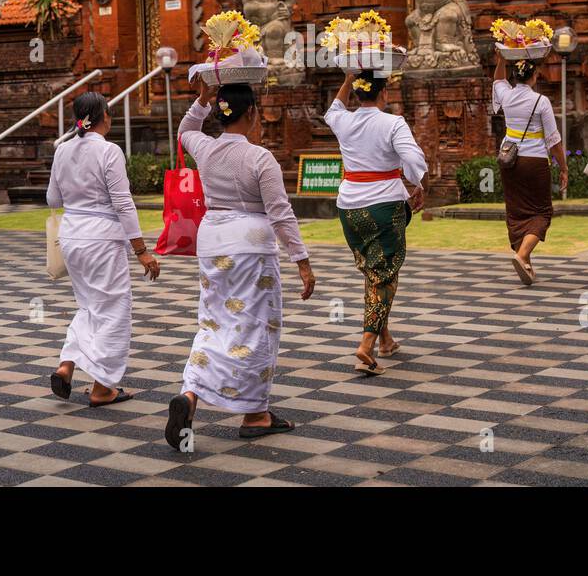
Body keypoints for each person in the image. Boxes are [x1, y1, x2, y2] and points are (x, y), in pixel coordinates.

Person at [165, 79, 315, 449]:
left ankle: (191, 393)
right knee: (255, 326)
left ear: (220, 112)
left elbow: (185, 130)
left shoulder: (207, 150)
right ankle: (255, 414)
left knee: (214, 321)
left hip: (213, 239)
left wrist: (201, 100)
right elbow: (281, 213)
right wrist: (302, 259)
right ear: (252, 113)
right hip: (252, 246)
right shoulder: (260, 158)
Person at [46, 91, 159, 407]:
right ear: (105, 117)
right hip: (102, 240)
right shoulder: (110, 151)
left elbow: (53, 200)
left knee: (89, 306)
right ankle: (102, 387)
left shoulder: (62, 150)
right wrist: (141, 251)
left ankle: (67, 364)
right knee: (113, 309)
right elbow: (123, 202)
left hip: (71, 237)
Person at [326, 69, 427, 376]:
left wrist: (347, 79)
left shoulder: (343, 120)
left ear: (356, 93)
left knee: (373, 271)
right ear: (384, 93)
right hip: (383, 206)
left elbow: (333, 109)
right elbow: (413, 161)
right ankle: (366, 345)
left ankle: (385, 339)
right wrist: (417, 183)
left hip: (349, 210)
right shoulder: (393, 122)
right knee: (384, 275)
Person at [492, 50, 568, 286]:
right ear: (534, 76)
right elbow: (553, 140)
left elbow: (497, 81)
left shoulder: (506, 95)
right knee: (542, 212)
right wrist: (563, 167)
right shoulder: (540, 101)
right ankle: (523, 254)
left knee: (516, 211)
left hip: (509, 160)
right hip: (534, 161)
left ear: (515, 76)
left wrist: (501, 60)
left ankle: (526, 263)